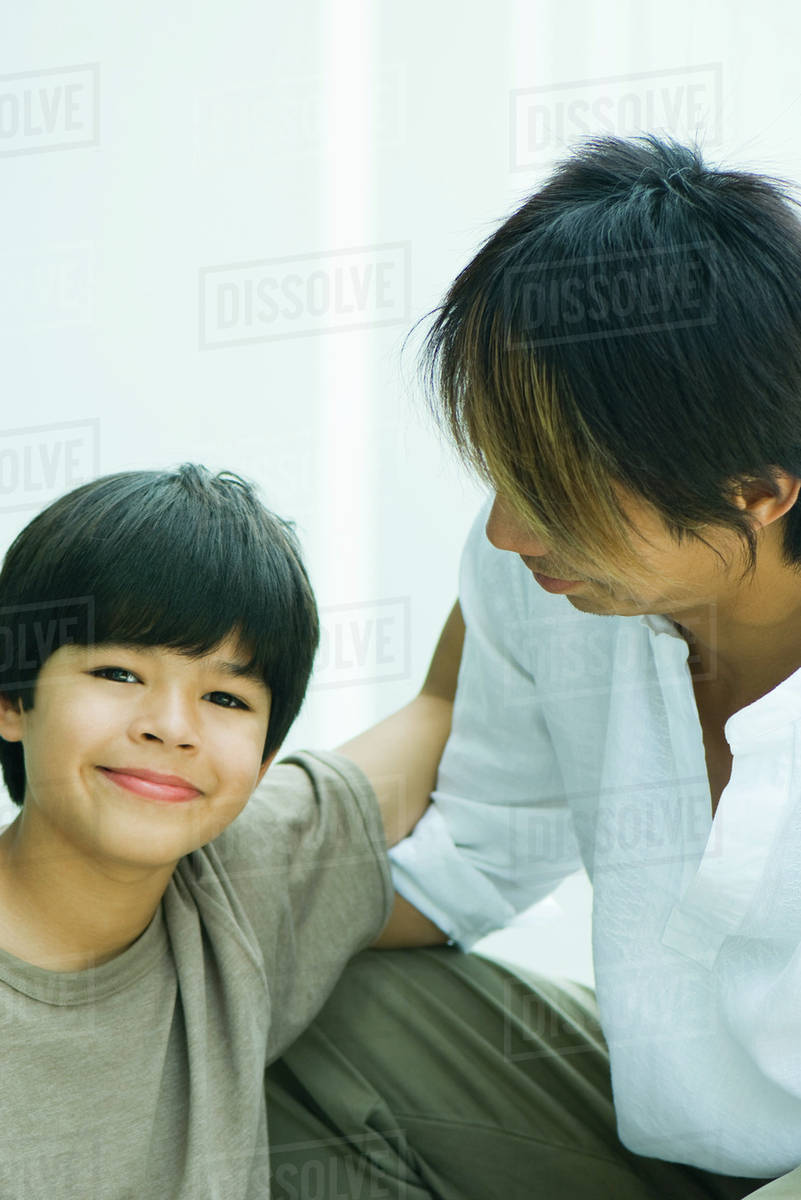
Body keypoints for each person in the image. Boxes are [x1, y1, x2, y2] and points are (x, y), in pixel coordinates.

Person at [265, 135, 801, 1198]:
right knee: (292, 1000)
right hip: (665, 1138)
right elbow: (472, 836)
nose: (508, 530)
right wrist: (175, 879)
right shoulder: (549, 579)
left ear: (756, 492)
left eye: (553, 490)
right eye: (502, 473)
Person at [0, 463, 444, 1198]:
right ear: (14, 701)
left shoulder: (236, 881)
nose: (172, 728)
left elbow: (441, 707)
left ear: (268, 754)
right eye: (117, 673)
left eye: (224, 697)